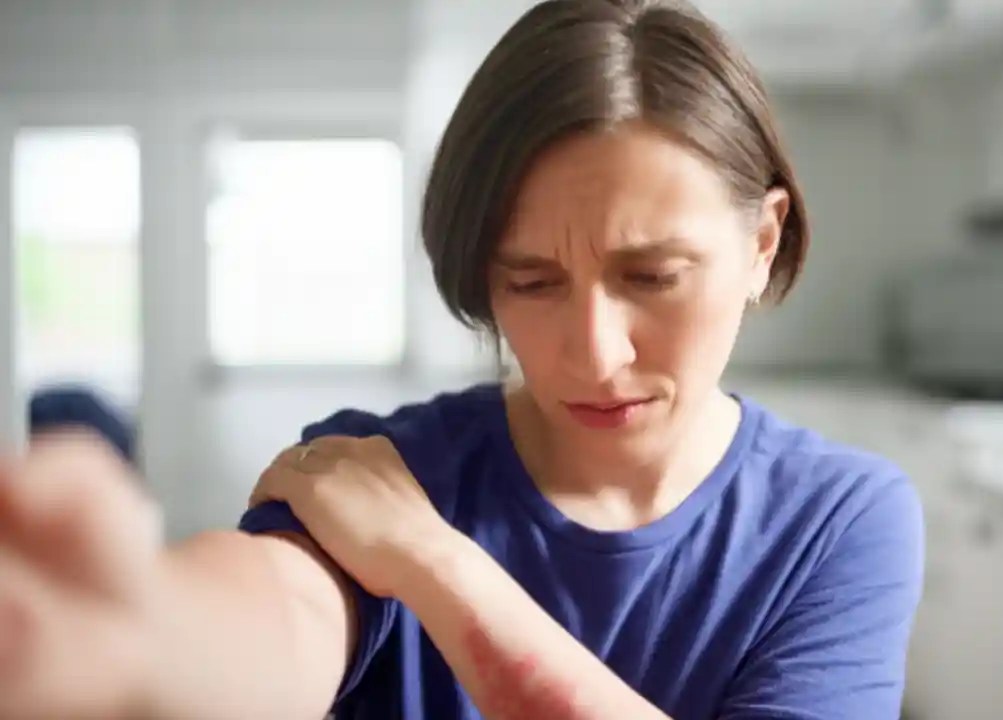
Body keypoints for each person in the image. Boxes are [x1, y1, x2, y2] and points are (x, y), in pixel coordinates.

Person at [0, 1, 924, 718]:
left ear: (763, 242)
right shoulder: (380, 471)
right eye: (530, 284)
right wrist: (138, 634)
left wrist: (434, 562)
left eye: (652, 275)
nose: (596, 355)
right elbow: (279, 616)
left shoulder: (839, 520)